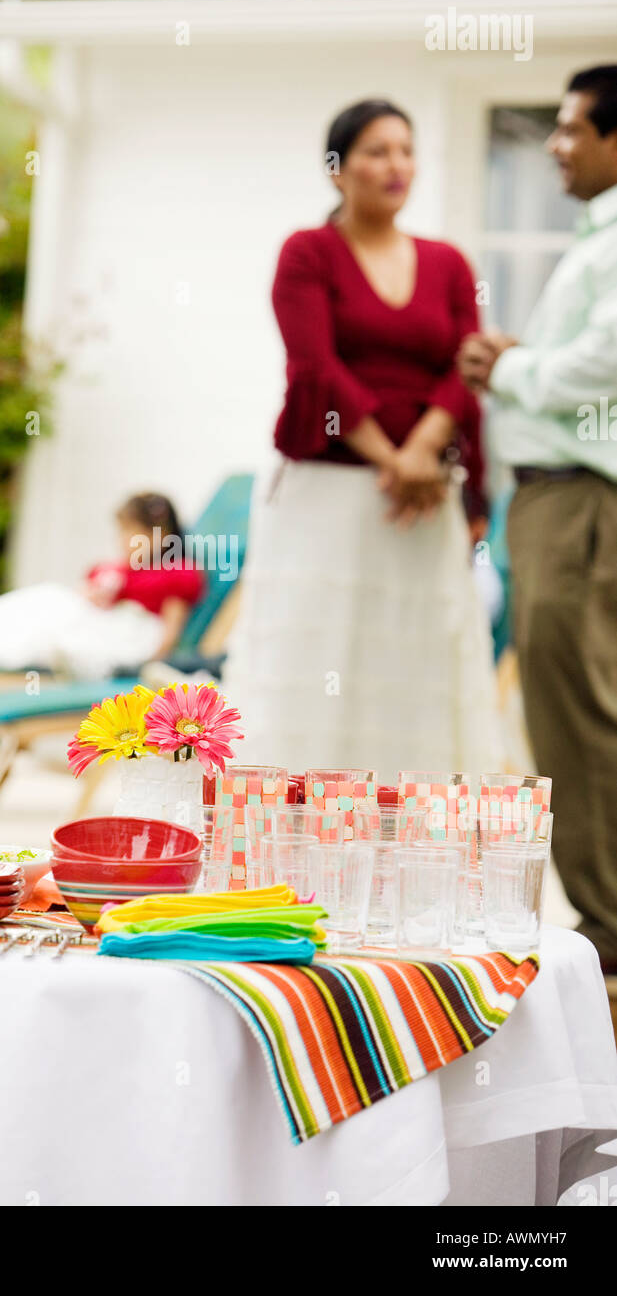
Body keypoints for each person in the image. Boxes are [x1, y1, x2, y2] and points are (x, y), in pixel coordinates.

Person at [222, 99, 500, 774]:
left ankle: (409, 818)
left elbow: (464, 367)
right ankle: (300, 814)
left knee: (415, 659)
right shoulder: (308, 252)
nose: (396, 165)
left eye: (406, 150)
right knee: (317, 654)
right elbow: (315, 366)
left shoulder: (448, 264)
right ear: (337, 169)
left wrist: (422, 453)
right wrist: (393, 458)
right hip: (330, 495)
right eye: (377, 151)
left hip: (423, 496)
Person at [458, 65, 617, 971]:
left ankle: (609, 929)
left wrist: (507, 367)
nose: (554, 146)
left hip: (580, 500)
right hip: (559, 497)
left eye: (571, 129)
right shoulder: (595, 235)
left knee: (575, 715)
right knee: (574, 709)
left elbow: (598, 363)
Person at [0, 492, 204, 679]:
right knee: (50, 597)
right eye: (121, 532)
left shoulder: (175, 573)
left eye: (131, 533)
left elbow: (168, 634)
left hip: (129, 634)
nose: (123, 541)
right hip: (102, 620)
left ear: (160, 536)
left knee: (54, 606)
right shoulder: (119, 570)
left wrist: (143, 672)